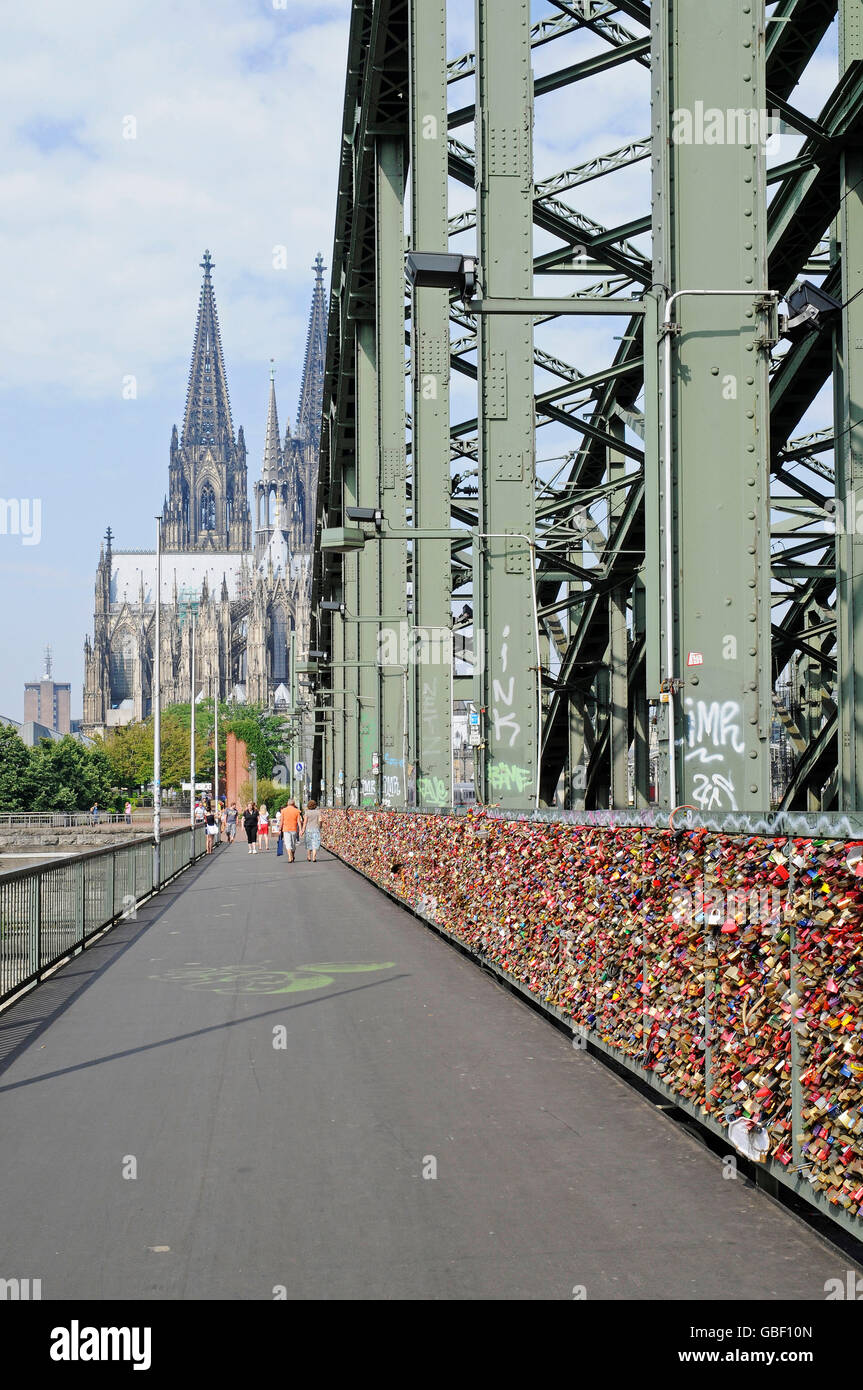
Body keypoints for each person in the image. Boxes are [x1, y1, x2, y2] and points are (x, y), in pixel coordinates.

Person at [279, 798, 301, 863]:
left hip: (286, 829)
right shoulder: (297, 811)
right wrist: (301, 830)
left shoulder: (283, 810)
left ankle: (290, 857)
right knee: (293, 844)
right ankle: (292, 856)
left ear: (287, 803)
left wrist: (280, 829)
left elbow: (281, 821)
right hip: (294, 829)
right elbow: (299, 821)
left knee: (288, 843)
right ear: (294, 804)